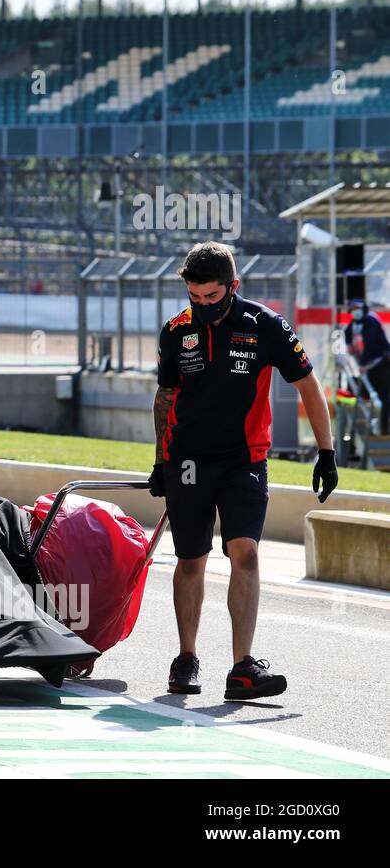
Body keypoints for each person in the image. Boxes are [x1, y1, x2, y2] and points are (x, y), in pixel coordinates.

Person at [150, 241, 337, 701]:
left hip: (244, 460)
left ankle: (242, 668)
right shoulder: (176, 331)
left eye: (211, 297)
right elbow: (165, 399)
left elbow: (308, 385)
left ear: (232, 286)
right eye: (195, 297)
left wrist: (326, 451)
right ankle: (187, 657)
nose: (203, 305)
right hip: (188, 460)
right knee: (190, 559)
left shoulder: (266, 326)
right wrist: (160, 461)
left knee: (246, 553)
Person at [344, 299, 390, 435]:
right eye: (352, 309)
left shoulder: (371, 321)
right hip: (368, 368)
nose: (355, 312)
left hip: (381, 364)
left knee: (383, 397)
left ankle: (383, 427)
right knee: (364, 393)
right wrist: (349, 345)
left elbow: (370, 344)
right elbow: (347, 334)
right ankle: (374, 425)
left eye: (357, 308)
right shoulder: (354, 324)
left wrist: (363, 364)